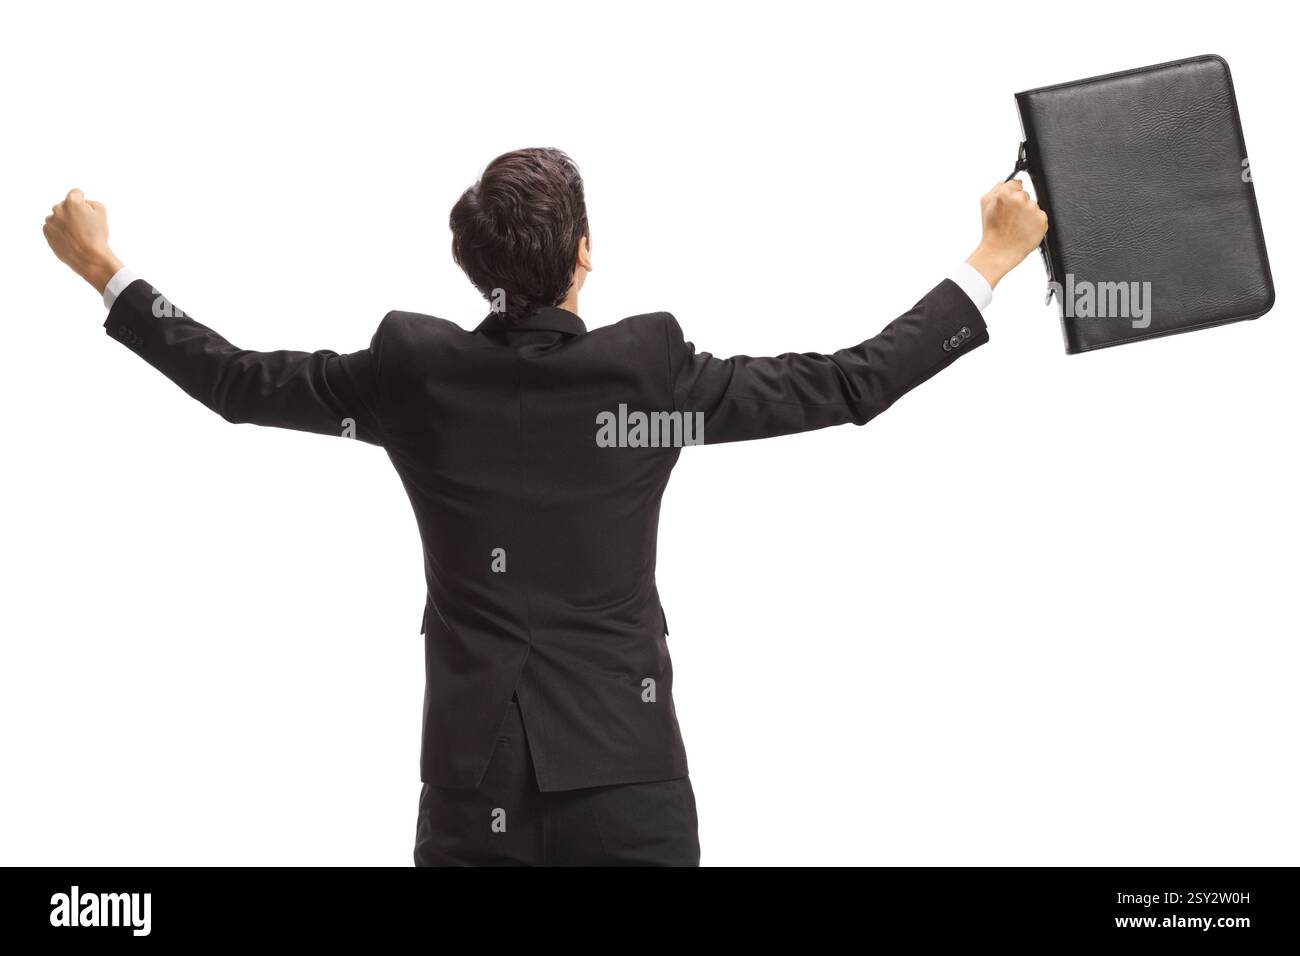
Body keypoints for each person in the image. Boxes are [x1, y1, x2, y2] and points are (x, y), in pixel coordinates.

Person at [42, 148, 1048, 866]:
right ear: (585, 253)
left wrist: (105, 268)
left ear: (477, 268)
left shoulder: (415, 377)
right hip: (625, 786)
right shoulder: (649, 382)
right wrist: (991, 258)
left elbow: (235, 380)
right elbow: (850, 382)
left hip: (475, 792)